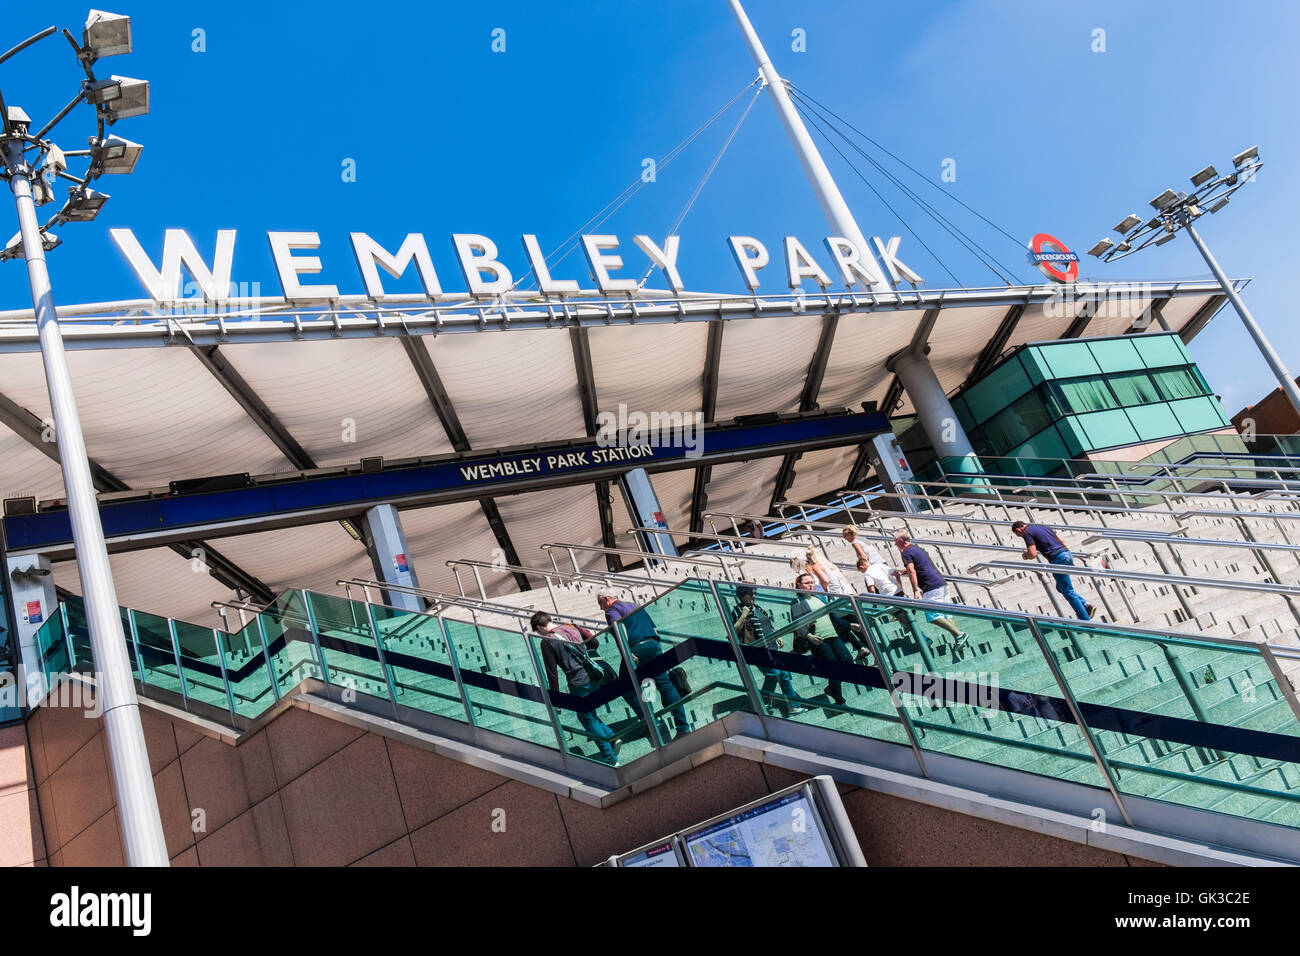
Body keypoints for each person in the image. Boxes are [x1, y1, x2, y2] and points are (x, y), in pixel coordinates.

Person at [597, 592, 692, 738]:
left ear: (607, 599)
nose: (601, 608)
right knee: (665, 685)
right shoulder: (634, 605)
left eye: (600, 603)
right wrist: (657, 647)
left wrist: (627, 654)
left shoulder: (612, 611)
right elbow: (653, 627)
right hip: (653, 644)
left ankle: (650, 720)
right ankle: (683, 727)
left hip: (636, 649)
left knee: (624, 687)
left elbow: (619, 633)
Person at [531, 611, 618, 764]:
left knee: (586, 717)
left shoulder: (547, 642)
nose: (539, 634)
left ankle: (610, 757)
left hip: (578, 681)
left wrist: (555, 698)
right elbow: (594, 643)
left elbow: (552, 673)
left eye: (538, 631)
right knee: (588, 714)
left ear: (539, 627)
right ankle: (611, 737)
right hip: (594, 675)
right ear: (550, 619)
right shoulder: (571, 626)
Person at [731, 585, 807, 717]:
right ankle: (764, 701)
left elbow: (768, 624)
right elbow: (733, 631)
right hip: (757, 650)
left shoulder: (759, 608)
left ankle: (793, 707)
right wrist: (743, 615)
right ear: (742, 595)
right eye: (750, 594)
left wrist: (777, 635)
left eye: (754, 593)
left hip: (772, 647)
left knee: (784, 673)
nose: (754, 596)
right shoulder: (737, 610)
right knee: (774, 673)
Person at [793, 546, 872, 661]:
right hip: (848, 595)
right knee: (846, 624)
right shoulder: (830, 565)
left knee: (840, 624)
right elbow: (845, 580)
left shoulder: (816, 566)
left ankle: (864, 648)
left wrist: (824, 590)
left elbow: (825, 581)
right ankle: (864, 648)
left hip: (836, 598)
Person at [789, 572, 856, 707]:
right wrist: (809, 636)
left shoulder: (819, 598)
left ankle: (831, 688)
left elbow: (833, 617)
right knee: (834, 667)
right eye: (807, 583)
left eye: (812, 582)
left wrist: (850, 625)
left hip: (832, 635)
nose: (811, 585)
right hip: (818, 639)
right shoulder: (797, 602)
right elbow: (797, 623)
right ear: (798, 585)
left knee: (848, 661)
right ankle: (839, 700)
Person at [893, 532, 969, 649]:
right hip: (940, 582)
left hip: (930, 586)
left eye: (895, 541)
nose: (894, 543)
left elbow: (913, 571)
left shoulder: (906, 553)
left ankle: (959, 634)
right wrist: (907, 570)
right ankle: (958, 638)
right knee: (946, 614)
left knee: (932, 615)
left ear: (902, 541)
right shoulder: (918, 549)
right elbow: (919, 566)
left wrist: (915, 590)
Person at [1011, 520, 1097, 621]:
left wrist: (1026, 555)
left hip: (1057, 558)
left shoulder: (1027, 533)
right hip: (1066, 553)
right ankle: (1086, 605)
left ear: (1018, 530)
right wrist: (1068, 559)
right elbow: (1062, 541)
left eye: (1019, 535)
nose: (1021, 536)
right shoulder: (1042, 527)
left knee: (1067, 591)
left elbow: (1033, 554)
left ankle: (1084, 620)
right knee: (1061, 587)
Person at [843, 526, 899, 596]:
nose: (845, 539)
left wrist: (866, 568)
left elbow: (863, 556)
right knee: (888, 584)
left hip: (874, 566)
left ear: (850, 534)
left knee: (872, 587)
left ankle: (879, 604)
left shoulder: (855, 542)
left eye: (845, 536)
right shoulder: (863, 539)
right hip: (882, 563)